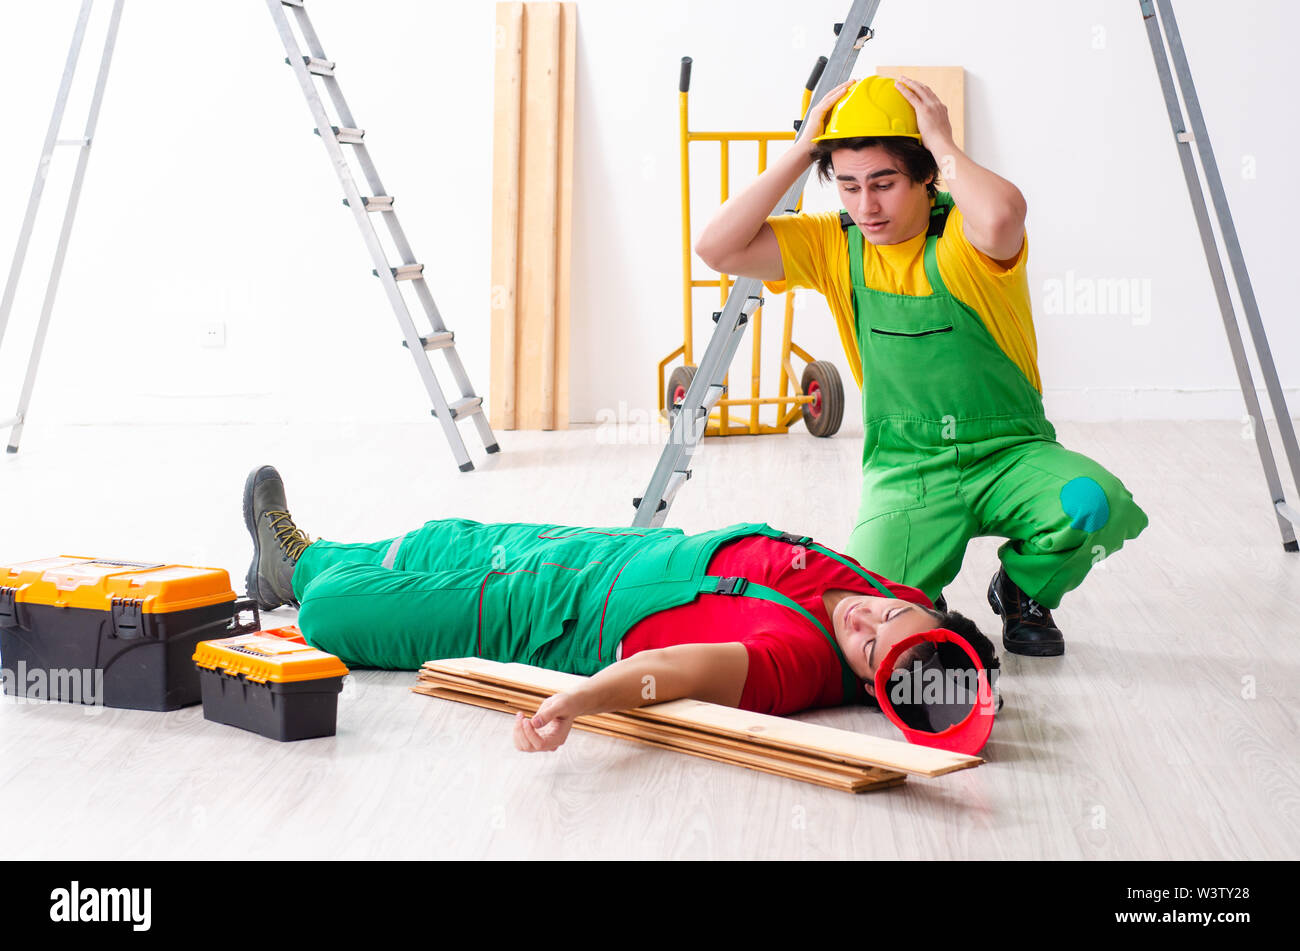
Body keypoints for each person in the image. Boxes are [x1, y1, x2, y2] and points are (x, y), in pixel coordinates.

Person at [693, 75, 1149, 656]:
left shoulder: (964, 235)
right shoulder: (834, 243)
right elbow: (717, 247)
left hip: (1011, 452)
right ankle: (920, 602)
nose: (867, 206)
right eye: (851, 187)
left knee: (1093, 503)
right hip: (907, 470)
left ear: (926, 174)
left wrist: (942, 143)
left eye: (884, 184)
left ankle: (1023, 589)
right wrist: (804, 149)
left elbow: (1006, 216)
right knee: (874, 605)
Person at [242, 465, 1000, 754]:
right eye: (885, 616)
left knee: (338, 613)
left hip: (557, 614)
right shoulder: (887, 589)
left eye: (869, 650)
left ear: (867, 684)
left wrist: (577, 700)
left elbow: (665, 670)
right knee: (434, 540)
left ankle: (301, 573)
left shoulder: (797, 666)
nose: (864, 623)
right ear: (915, 605)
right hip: (600, 547)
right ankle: (297, 556)